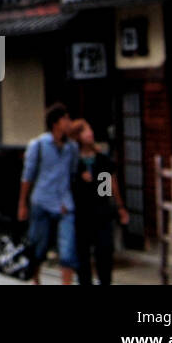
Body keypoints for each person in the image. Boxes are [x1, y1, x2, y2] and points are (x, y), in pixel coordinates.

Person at [17, 103, 78, 285]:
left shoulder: (71, 148)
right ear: (56, 123)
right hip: (42, 200)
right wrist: (22, 203)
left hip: (65, 203)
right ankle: (36, 281)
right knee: (38, 247)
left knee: (67, 250)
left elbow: (73, 173)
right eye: (65, 119)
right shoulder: (39, 145)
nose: (69, 123)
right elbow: (27, 176)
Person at [67, 119, 129, 284]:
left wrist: (120, 206)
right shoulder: (73, 161)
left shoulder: (102, 159)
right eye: (85, 131)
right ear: (77, 136)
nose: (90, 134)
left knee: (104, 252)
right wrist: (79, 179)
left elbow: (107, 186)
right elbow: (66, 184)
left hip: (101, 211)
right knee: (83, 256)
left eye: (90, 130)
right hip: (80, 212)